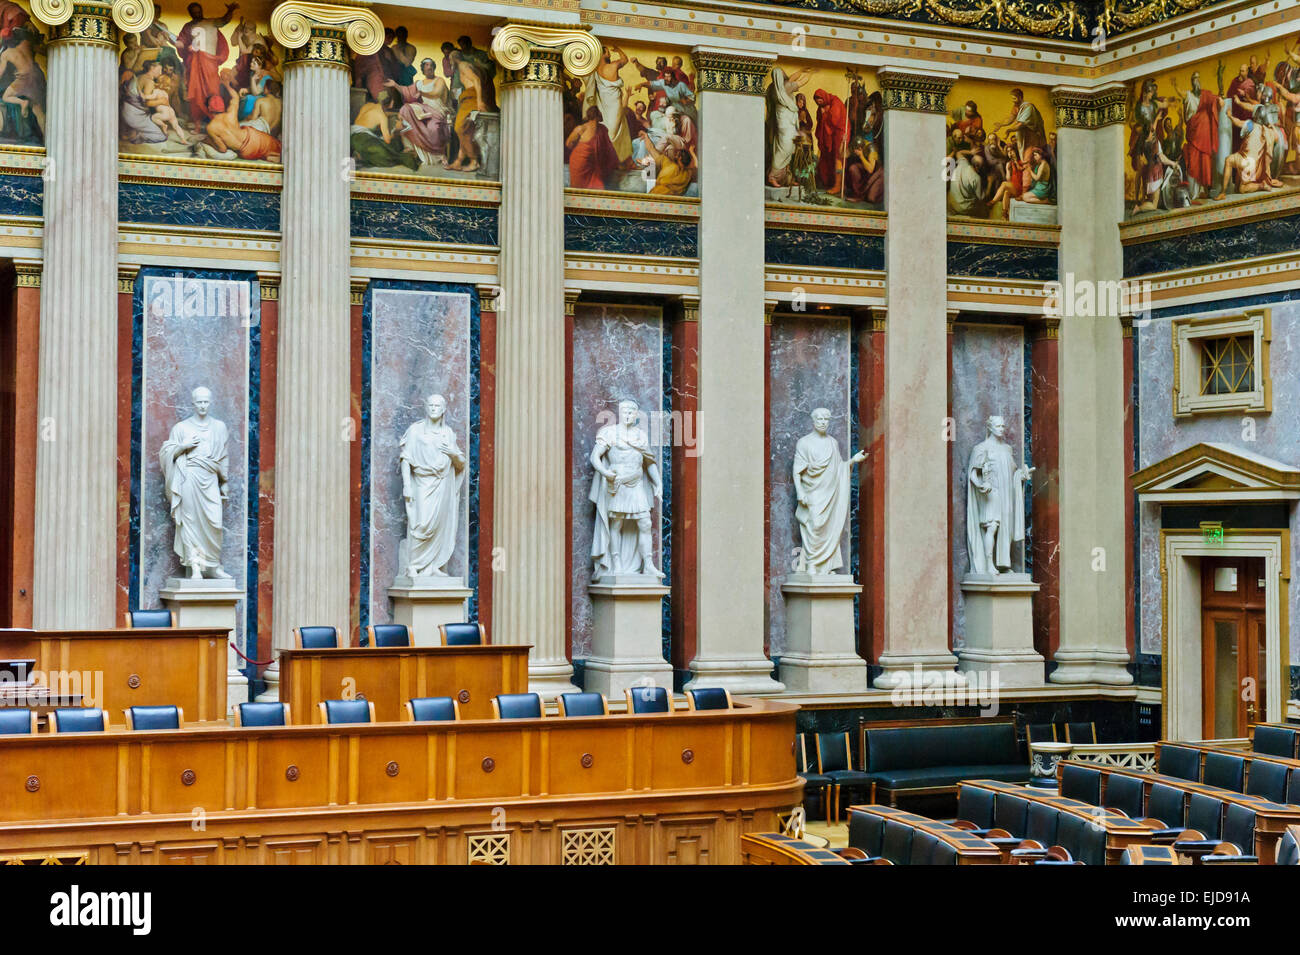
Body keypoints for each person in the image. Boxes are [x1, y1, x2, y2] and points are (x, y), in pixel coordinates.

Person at [160, 387, 231, 580]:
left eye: (205, 402)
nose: (202, 406)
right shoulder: (182, 428)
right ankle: (195, 565)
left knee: (215, 522)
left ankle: (213, 565)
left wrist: (224, 481)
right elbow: (166, 453)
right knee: (190, 522)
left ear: (211, 402)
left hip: (210, 478)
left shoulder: (219, 427)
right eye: (199, 402)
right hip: (189, 477)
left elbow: (223, 456)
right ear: (193, 403)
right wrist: (183, 446)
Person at [589, 399, 662, 579]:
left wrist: (658, 483)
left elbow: (649, 462)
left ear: (636, 415)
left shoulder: (641, 436)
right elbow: (594, 457)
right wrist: (605, 472)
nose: (628, 414)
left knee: (645, 522)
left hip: (636, 484)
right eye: (625, 411)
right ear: (620, 413)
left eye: (631, 412)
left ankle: (649, 564)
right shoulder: (610, 433)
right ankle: (616, 563)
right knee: (617, 523)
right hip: (617, 484)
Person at [793, 408, 866, 575]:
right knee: (815, 524)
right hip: (813, 492)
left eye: (826, 419)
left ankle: (824, 567)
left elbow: (839, 468)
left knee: (830, 526)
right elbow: (797, 471)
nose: (823, 422)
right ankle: (811, 564)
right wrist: (800, 492)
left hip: (830, 492)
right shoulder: (804, 443)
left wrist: (853, 460)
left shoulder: (833, 443)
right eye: (819, 419)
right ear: (813, 421)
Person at [399, 394, 465, 578]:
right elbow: (406, 458)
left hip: (442, 484)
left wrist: (453, 454)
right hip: (422, 482)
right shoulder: (416, 431)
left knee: (438, 525)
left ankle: (432, 565)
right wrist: (407, 485)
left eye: (438, 405)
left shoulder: (448, 433)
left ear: (444, 409)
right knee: (421, 523)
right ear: (426, 407)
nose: (434, 408)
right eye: (431, 405)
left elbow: (460, 464)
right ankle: (413, 565)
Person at [965, 415, 1033, 577]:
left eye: (1003, 426)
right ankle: (989, 564)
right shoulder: (981, 448)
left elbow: (1012, 472)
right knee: (992, 526)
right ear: (990, 428)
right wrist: (981, 485)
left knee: (1005, 528)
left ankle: (1003, 564)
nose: (1002, 429)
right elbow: (973, 473)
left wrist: (1021, 475)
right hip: (991, 493)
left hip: (1006, 493)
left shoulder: (1007, 449)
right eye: (998, 426)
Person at [176, 2, 238, 122]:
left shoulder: (211, 22)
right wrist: (179, 44)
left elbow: (224, 20)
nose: (197, 14)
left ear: (201, 11)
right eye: (194, 12)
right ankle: (197, 120)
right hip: (194, 63)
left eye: (198, 11)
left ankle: (216, 119)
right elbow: (181, 41)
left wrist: (230, 11)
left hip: (210, 62)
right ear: (190, 14)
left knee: (213, 88)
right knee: (197, 91)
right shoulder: (188, 26)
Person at [388, 60, 452, 168]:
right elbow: (407, 92)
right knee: (405, 109)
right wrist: (395, 85)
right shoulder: (419, 83)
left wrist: (422, 93)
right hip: (422, 111)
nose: (429, 67)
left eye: (431, 65)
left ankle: (439, 155)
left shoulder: (439, 80)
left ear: (434, 68)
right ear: (423, 69)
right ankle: (410, 148)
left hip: (437, 111)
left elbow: (436, 94)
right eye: (426, 65)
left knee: (433, 128)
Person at [584, 45, 632, 162]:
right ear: (604, 54)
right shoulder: (613, 65)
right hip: (614, 102)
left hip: (604, 103)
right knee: (614, 129)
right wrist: (619, 50)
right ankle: (610, 157)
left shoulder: (596, 70)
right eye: (607, 52)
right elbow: (625, 60)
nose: (609, 53)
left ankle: (609, 156)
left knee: (609, 126)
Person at [766, 66, 811, 187]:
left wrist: (801, 70)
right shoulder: (785, 88)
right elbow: (801, 81)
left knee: (789, 149)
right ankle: (772, 176)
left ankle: (785, 178)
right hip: (785, 124)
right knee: (784, 149)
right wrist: (809, 73)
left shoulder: (774, 88)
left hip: (784, 122)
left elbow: (790, 79)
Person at [202, 90, 280, 161]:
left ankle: (268, 157)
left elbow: (223, 149)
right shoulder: (231, 113)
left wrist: (209, 142)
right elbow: (235, 97)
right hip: (255, 136)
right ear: (223, 106)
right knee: (280, 148)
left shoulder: (211, 127)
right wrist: (227, 84)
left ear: (209, 108)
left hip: (247, 150)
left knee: (270, 155)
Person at [567, 106, 619, 189]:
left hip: (593, 164)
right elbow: (569, 143)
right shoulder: (581, 128)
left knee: (597, 187)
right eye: (600, 113)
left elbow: (609, 148)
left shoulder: (602, 129)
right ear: (597, 115)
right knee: (579, 189)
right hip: (580, 163)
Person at [813, 88, 848, 192]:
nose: (819, 103)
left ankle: (838, 185)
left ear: (824, 97)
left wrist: (824, 114)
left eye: (820, 100)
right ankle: (828, 182)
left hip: (840, 132)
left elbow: (834, 120)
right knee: (826, 156)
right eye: (817, 102)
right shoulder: (822, 107)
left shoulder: (835, 102)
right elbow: (820, 121)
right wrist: (822, 114)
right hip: (829, 135)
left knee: (838, 156)